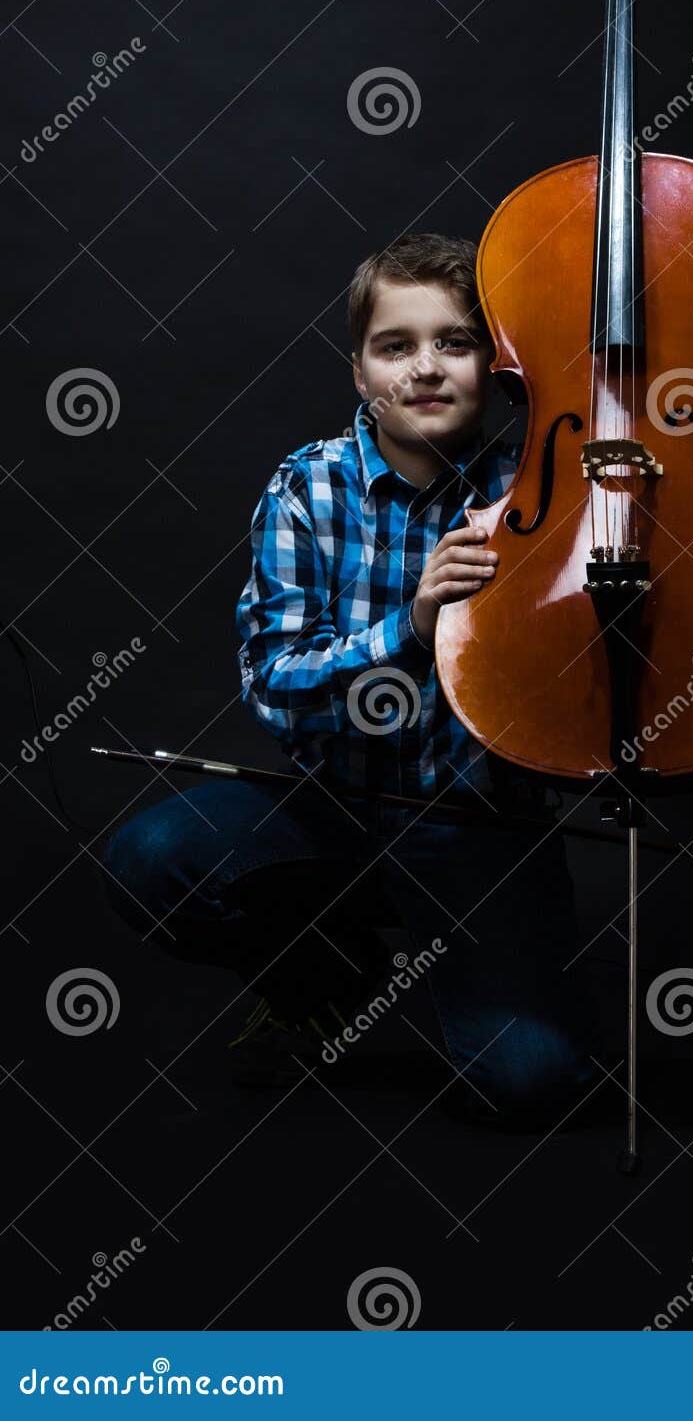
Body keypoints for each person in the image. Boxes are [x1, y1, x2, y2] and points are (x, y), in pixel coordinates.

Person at [98, 233, 605, 1132]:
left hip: (479, 830)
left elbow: (591, 681)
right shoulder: (308, 487)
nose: (425, 368)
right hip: (337, 811)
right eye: (395, 345)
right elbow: (276, 687)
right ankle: (328, 976)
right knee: (154, 855)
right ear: (360, 372)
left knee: (535, 1086)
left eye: (455, 342)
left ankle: (491, 961)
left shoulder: (539, 489)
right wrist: (411, 627)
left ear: (495, 366)